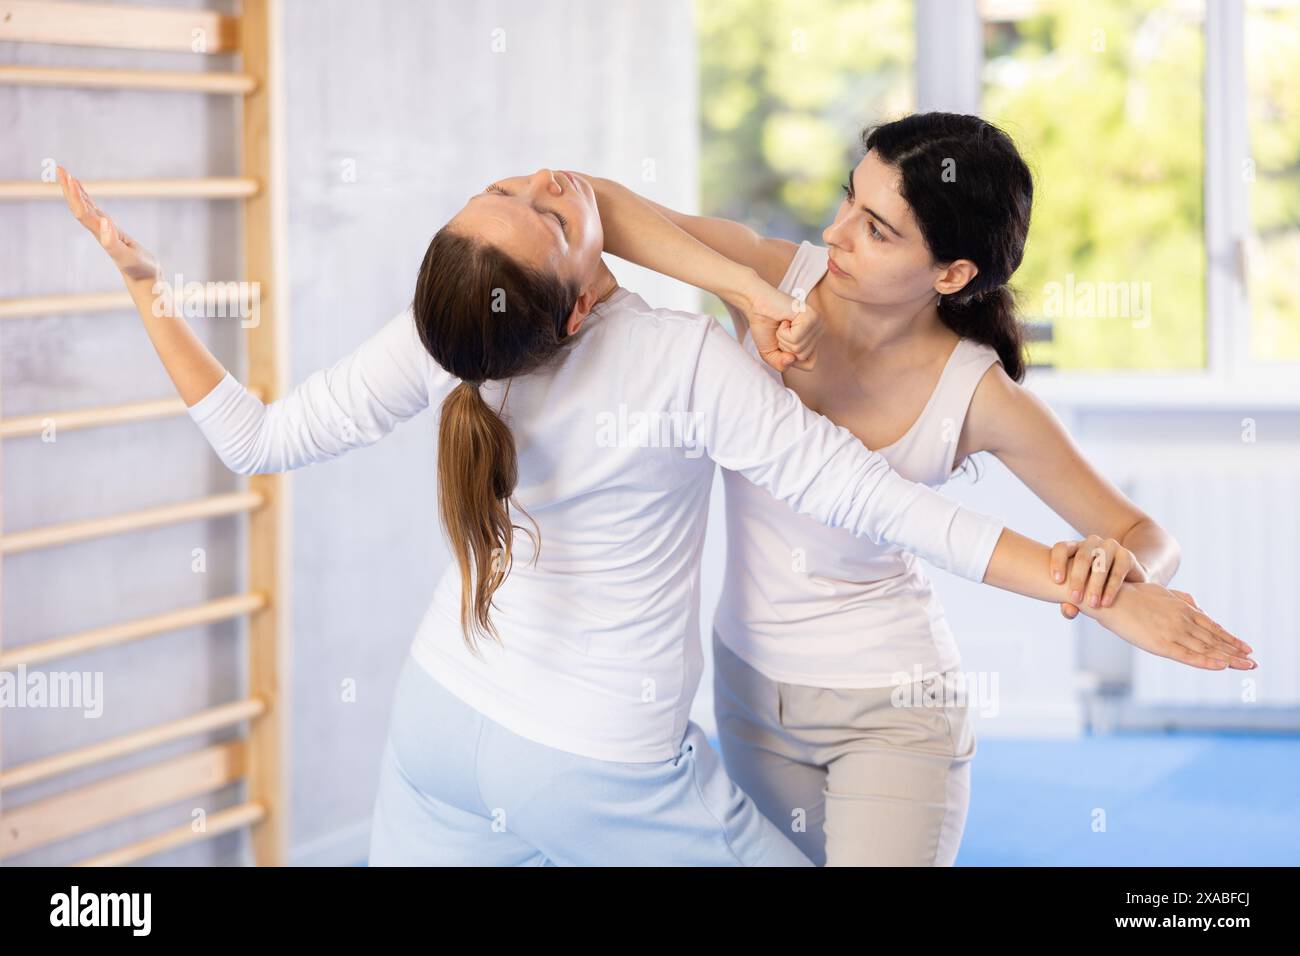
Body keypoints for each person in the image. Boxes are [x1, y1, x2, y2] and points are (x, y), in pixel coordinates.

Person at [55, 162, 1252, 867]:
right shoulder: (678, 361)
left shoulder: (451, 327)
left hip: (432, 730)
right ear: (576, 305)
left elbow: (253, 438)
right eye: (545, 211)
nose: (551, 186)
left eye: (518, 185)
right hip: (598, 767)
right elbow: (871, 497)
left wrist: (152, 295)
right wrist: (1085, 586)